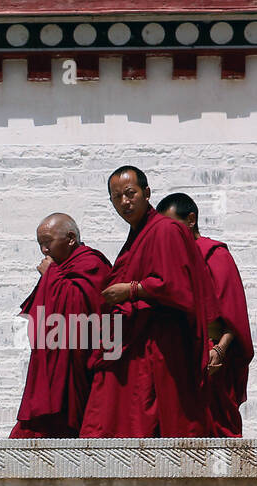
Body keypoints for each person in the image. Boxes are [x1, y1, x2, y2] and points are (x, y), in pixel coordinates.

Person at [81, 166, 220, 438]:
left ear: (146, 193)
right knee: (114, 415)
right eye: (117, 197)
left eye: (130, 193)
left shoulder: (166, 229)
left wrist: (130, 290)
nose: (124, 202)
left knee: (148, 416)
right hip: (134, 341)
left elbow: (175, 285)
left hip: (159, 344)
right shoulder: (137, 235)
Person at [158, 192, 254, 437]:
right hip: (180, 360)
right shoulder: (170, 260)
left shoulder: (215, 255)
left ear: (191, 220)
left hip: (213, 358)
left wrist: (219, 350)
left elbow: (234, 314)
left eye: (173, 227)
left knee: (216, 431)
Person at [10, 214, 113, 438]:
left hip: (81, 360)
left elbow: (86, 309)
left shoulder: (92, 264)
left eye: (48, 242)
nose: (44, 250)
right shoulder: (60, 269)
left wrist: (51, 276)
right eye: (40, 244)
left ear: (71, 238)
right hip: (55, 360)